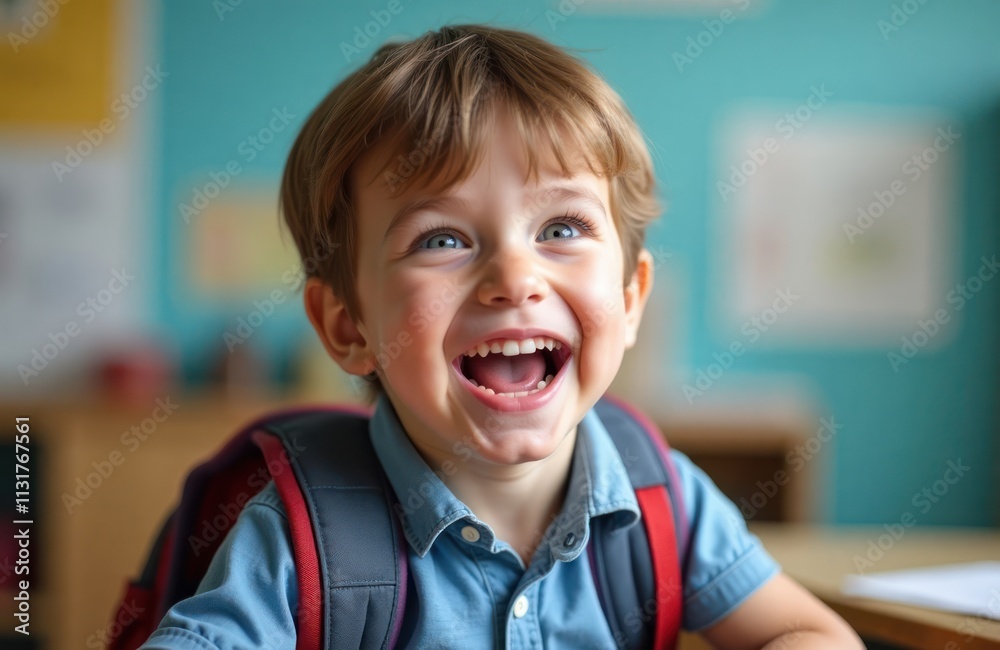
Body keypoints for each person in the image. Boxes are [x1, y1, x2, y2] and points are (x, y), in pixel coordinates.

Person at [141, 24, 862, 649]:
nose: (514, 277)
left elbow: (807, 631)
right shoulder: (303, 542)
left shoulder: (661, 496)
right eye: (443, 238)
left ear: (630, 295)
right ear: (348, 325)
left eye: (561, 228)